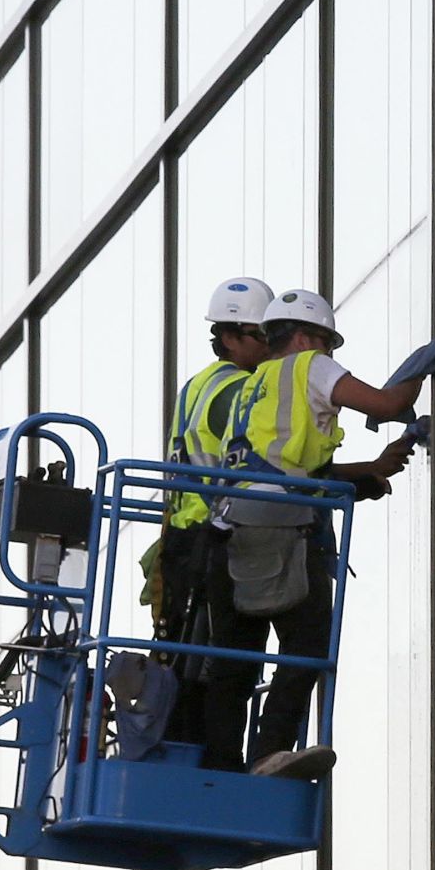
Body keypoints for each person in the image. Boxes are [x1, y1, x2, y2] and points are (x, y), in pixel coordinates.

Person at [203, 288, 429, 780]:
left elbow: (283, 463)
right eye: (327, 344)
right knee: (307, 645)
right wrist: (433, 358)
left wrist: (369, 469)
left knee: (233, 659)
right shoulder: (310, 366)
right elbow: (388, 403)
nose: (331, 356)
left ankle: (216, 768)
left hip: (227, 529)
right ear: (306, 337)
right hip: (279, 524)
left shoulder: (248, 387)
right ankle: (269, 753)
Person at [155, 277, 274, 741]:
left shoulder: (197, 386)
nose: (269, 347)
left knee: (189, 660)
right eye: (260, 336)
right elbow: (263, 460)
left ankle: (185, 746)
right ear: (229, 337)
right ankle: (212, 757)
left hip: (185, 539)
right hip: (213, 539)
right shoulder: (238, 391)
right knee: (224, 662)